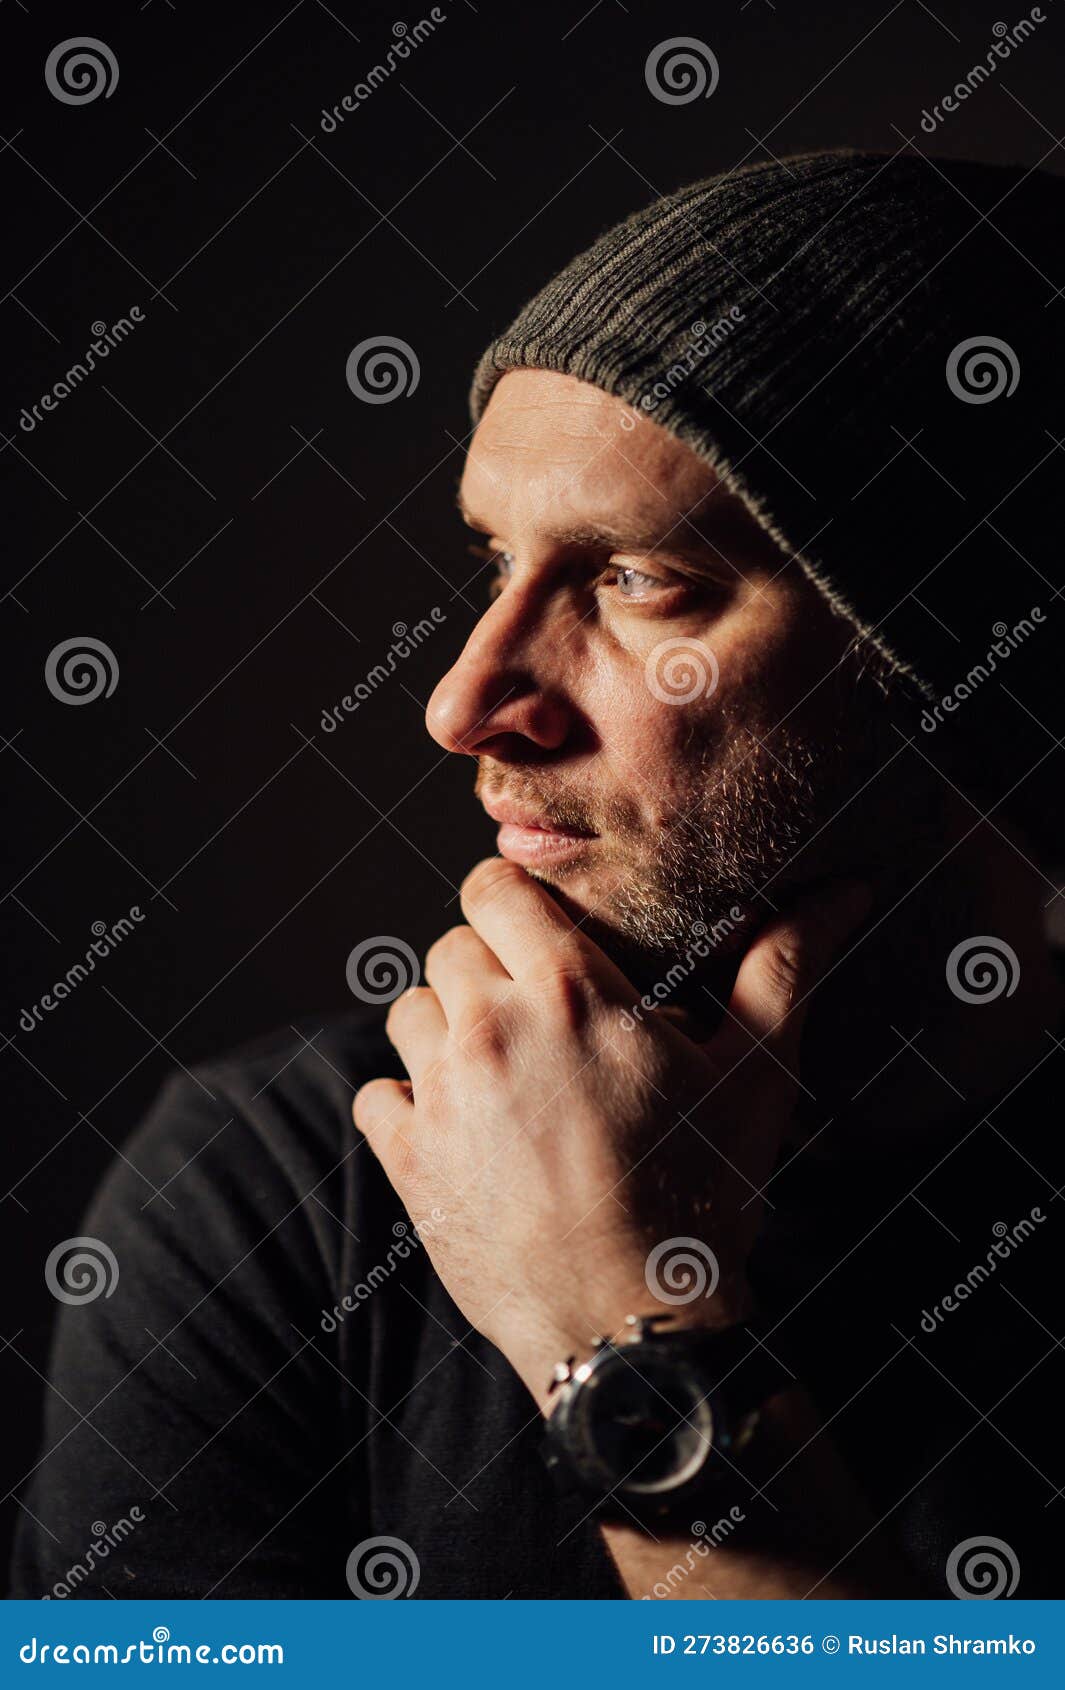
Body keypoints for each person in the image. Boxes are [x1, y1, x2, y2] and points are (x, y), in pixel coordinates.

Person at [10, 150, 1065, 1601]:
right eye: (492, 558)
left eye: (639, 578)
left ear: (958, 664)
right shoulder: (282, 1186)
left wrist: (616, 1316)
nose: (462, 702)